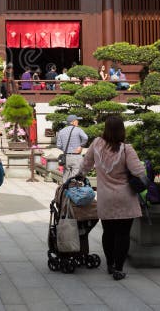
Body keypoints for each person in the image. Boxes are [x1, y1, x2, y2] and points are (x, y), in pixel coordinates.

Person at [78, 115, 148, 280]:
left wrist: (77, 177)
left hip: (105, 197)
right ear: (122, 130)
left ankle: (109, 264)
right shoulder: (126, 149)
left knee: (108, 232)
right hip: (125, 198)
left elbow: (85, 166)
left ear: (105, 129)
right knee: (123, 234)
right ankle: (118, 268)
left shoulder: (96, 145)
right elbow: (138, 171)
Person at [56, 114, 88, 182]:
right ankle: (73, 190)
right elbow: (85, 137)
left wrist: (65, 150)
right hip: (76, 156)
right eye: (76, 120)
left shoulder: (61, 131)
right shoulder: (78, 130)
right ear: (72, 122)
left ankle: (65, 189)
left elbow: (58, 145)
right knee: (75, 176)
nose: (78, 122)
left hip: (66, 156)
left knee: (66, 174)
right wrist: (81, 146)